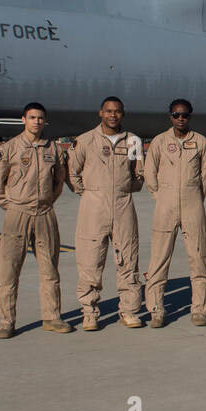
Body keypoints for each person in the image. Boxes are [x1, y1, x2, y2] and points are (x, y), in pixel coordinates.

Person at [0, 102, 71, 339]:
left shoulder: (52, 148)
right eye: (32, 117)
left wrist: (47, 202)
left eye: (40, 118)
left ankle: (52, 317)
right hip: (17, 214)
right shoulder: (10, 148)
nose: (36, 122)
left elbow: (59, 180)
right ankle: (6, 321)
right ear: (23, 119)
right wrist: (11, 205)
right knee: (9, 271)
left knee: (50, 270)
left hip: (44, 213)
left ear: (45, 121)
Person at [67, 97, 145, 330]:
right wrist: (90, 193)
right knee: (90, 260)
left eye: (117, 112)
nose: (113, 115)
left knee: (128, 259)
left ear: (123, 114)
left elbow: (138, 174)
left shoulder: (133, 142)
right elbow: (73, 173)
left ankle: (129, 310)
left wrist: (121, 191)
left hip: (123, 205)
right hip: (93, 207)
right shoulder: (85, 140)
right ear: (100, 113)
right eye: (109, 111)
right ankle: (89, 312)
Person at [144, 99, 206, 327]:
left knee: (199, 258)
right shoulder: (159, 142)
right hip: (165, 204)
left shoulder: (201, 142)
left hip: (192, 203)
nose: (180, 119)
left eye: (184, 115)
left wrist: (194, 194)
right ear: (170, 116)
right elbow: (149, 172)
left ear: (190, 116)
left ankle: (199, 309)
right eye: (176, 115)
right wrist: (161, 196)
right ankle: (156, 310)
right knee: (159, 259)